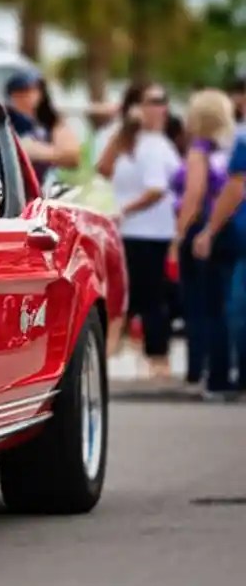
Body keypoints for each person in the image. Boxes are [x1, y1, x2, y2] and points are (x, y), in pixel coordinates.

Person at [96, 82, 181, 378]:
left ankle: (157, 358)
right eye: (152, 101)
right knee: (128, 296)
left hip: (156, 231)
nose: (159, 108)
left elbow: (159, 190)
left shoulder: (162, 143)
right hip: (131, 232)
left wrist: (125, 210)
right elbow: (103, 168)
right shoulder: (127, 141)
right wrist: (124, 130)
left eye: (162, 101)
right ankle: (114, 354)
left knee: (152, 297)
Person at [169, 90, 238, 397]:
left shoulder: (199, 150)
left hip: (201, 231)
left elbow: (193, 198)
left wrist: (180, 235)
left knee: (201, 307)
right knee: (224, 305)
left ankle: (208, 372)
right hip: (228, 229)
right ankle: (227, 370)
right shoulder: (229, 148)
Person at [5, 72, 78, 187]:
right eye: (21, 92)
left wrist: (39, 151)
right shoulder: (6, 121)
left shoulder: (50, 120)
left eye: (32, 90)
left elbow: (72, 157)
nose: (28, 97)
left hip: (47, 184)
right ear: (12, 95)